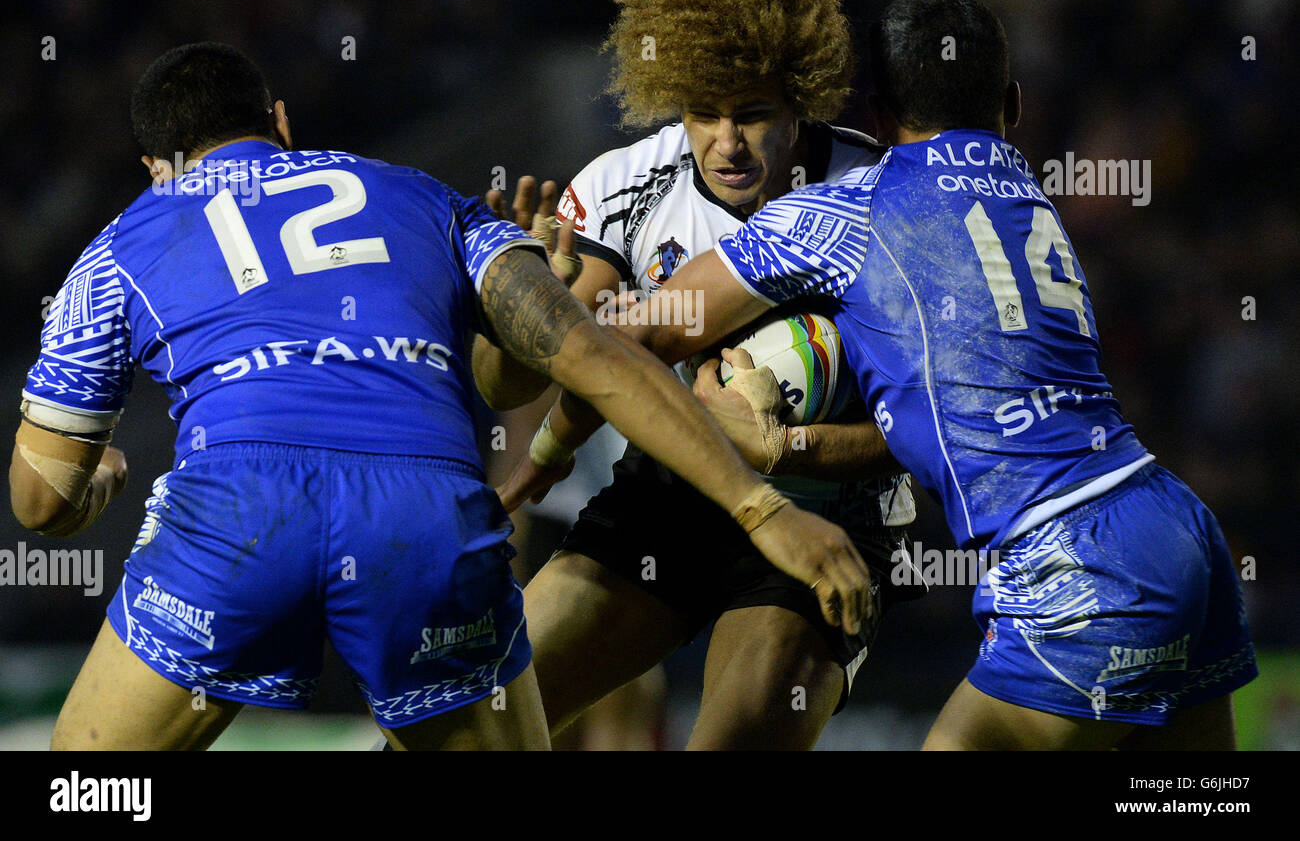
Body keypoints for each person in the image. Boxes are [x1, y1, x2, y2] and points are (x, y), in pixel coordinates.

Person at [9, 42, 871, 751]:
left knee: (90, 789)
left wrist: (106, 483)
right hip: (420, 512)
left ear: (156, 167)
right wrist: (763, 508)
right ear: (281, 124)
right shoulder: (428, 199)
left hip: (238, 510)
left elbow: (40, 501)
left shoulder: (119, 244)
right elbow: (592, 363)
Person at [520, 0, 1259, 749]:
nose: (729, 139)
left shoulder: (848, 204)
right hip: (1177, 524)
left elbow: (624, 342)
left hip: (1068, 556)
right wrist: (782, 450)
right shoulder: (1031, 195)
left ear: (871, 116)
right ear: (1011, 104)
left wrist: (545, 433)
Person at [475, 0, 922, 750]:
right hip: (668, 496)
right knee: (472, 716)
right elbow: (509, 385)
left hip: (831, 517)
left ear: (801, 98)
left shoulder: (883, 199)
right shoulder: (621, 188)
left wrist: (795, 450)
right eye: (703, 115)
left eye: (752, 115)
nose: (726, 142)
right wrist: (518, 302)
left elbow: (927, 430)